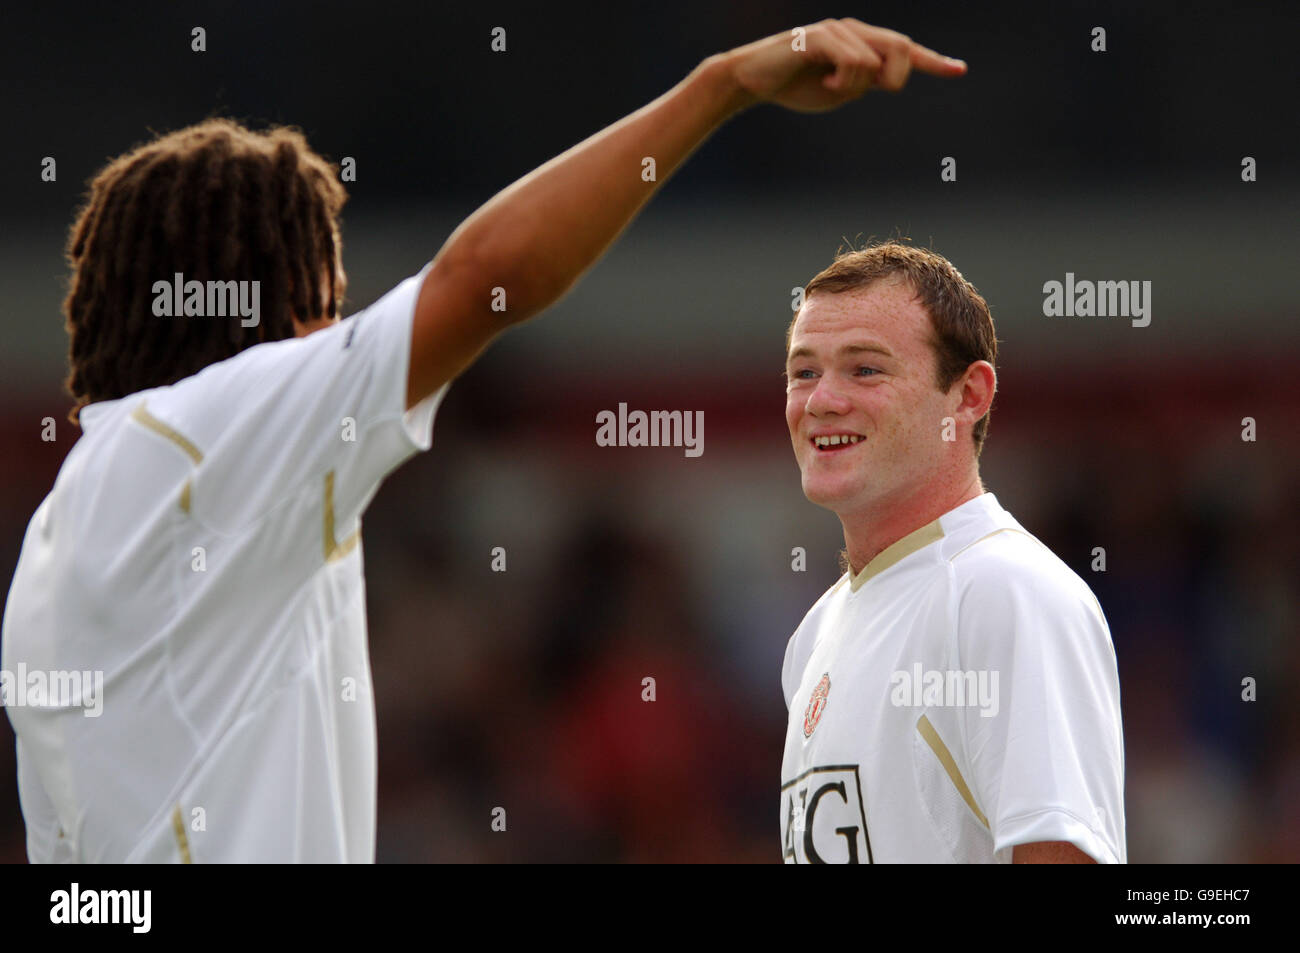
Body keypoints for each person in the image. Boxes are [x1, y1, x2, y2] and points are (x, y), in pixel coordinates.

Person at [2, 21, 967, 862]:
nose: (333, 329)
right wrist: (721, 87)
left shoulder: (62, 538)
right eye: (324, 302)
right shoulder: (209, 441)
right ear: (278, 311)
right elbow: (484, 277)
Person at [779, 241, 1126, 863]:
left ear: (969, 396)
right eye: (804, 372)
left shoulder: (1005, 590)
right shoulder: (812, 637)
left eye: (865, 369)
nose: (821, 400)